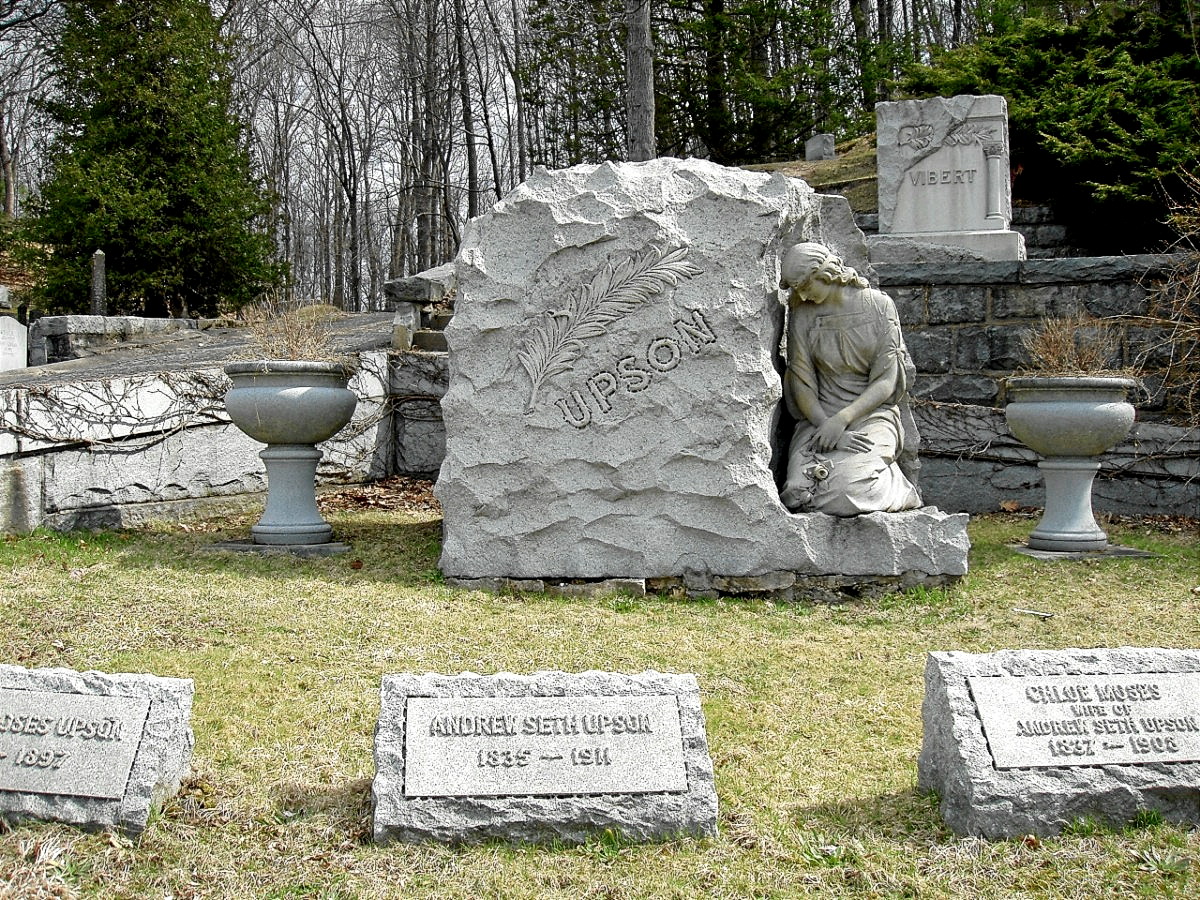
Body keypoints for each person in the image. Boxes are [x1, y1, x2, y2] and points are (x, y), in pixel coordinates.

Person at [778, 242, 922, 516]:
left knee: (846, 492)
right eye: (796, 288)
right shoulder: (803, 313)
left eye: (805, 285)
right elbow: (802, 380)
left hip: (870, 416)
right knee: (799, 491)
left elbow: (885, 381)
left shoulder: (878, 306)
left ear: (825, 274)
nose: (801, 294)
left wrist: (842, 421)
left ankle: (897, 486)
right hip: (818, 419)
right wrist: (826, 425)